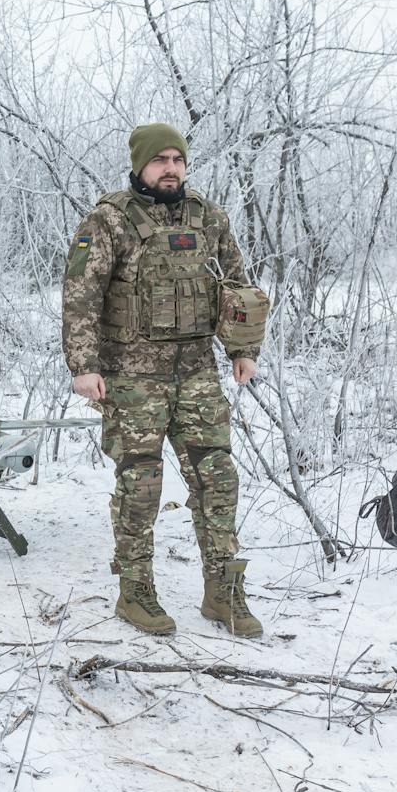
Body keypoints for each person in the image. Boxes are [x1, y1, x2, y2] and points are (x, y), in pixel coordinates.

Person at [62, 123, 264, 639]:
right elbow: (81, 295)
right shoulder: (108, 221)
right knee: (141, 485)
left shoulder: (208, 216)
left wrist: (243, 350)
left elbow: (237, 285)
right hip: (133, 377)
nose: (171, 168)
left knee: (218, 479)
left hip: (197, 370)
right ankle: (135, 591)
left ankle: (223, 591)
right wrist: (84, 366)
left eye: (177, 159)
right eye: (160, 160)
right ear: (140, 165)